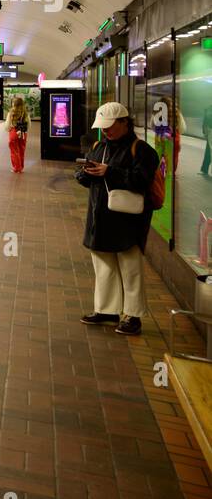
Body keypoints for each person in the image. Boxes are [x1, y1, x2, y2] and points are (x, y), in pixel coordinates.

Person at [76, 102, 160, 336]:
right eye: (102, 127)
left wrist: (109, 171)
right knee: (103, 267)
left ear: (125, 122)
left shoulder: (141, 150)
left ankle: (133, 315)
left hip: (127, 221)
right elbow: (86, 178)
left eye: (110, 127)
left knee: (130, 268)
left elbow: (141, 180)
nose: (106, 131)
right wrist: (84, 174)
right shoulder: (99, 146)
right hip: (99, 217)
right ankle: (107, 310)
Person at [6, 96, 29, 173]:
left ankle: (16, 168)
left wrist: (8, 129)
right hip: (23, 134)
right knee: (22, 150)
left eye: (12, 102)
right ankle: (21, 167)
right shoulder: (25, 113)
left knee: (14, 151)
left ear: (14, 104)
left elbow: (7, 125)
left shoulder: (11, 113)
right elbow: (29, 125)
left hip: (14, 133)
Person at [201, 102, 212, 176]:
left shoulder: (208, 108)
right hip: (210, 132)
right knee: (209, 150)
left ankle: (204, 169)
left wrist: (204, 130)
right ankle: (204, 169)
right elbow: (206, 120)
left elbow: (205, 120)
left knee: (208, 150)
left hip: (209, 132)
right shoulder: (209, 109)